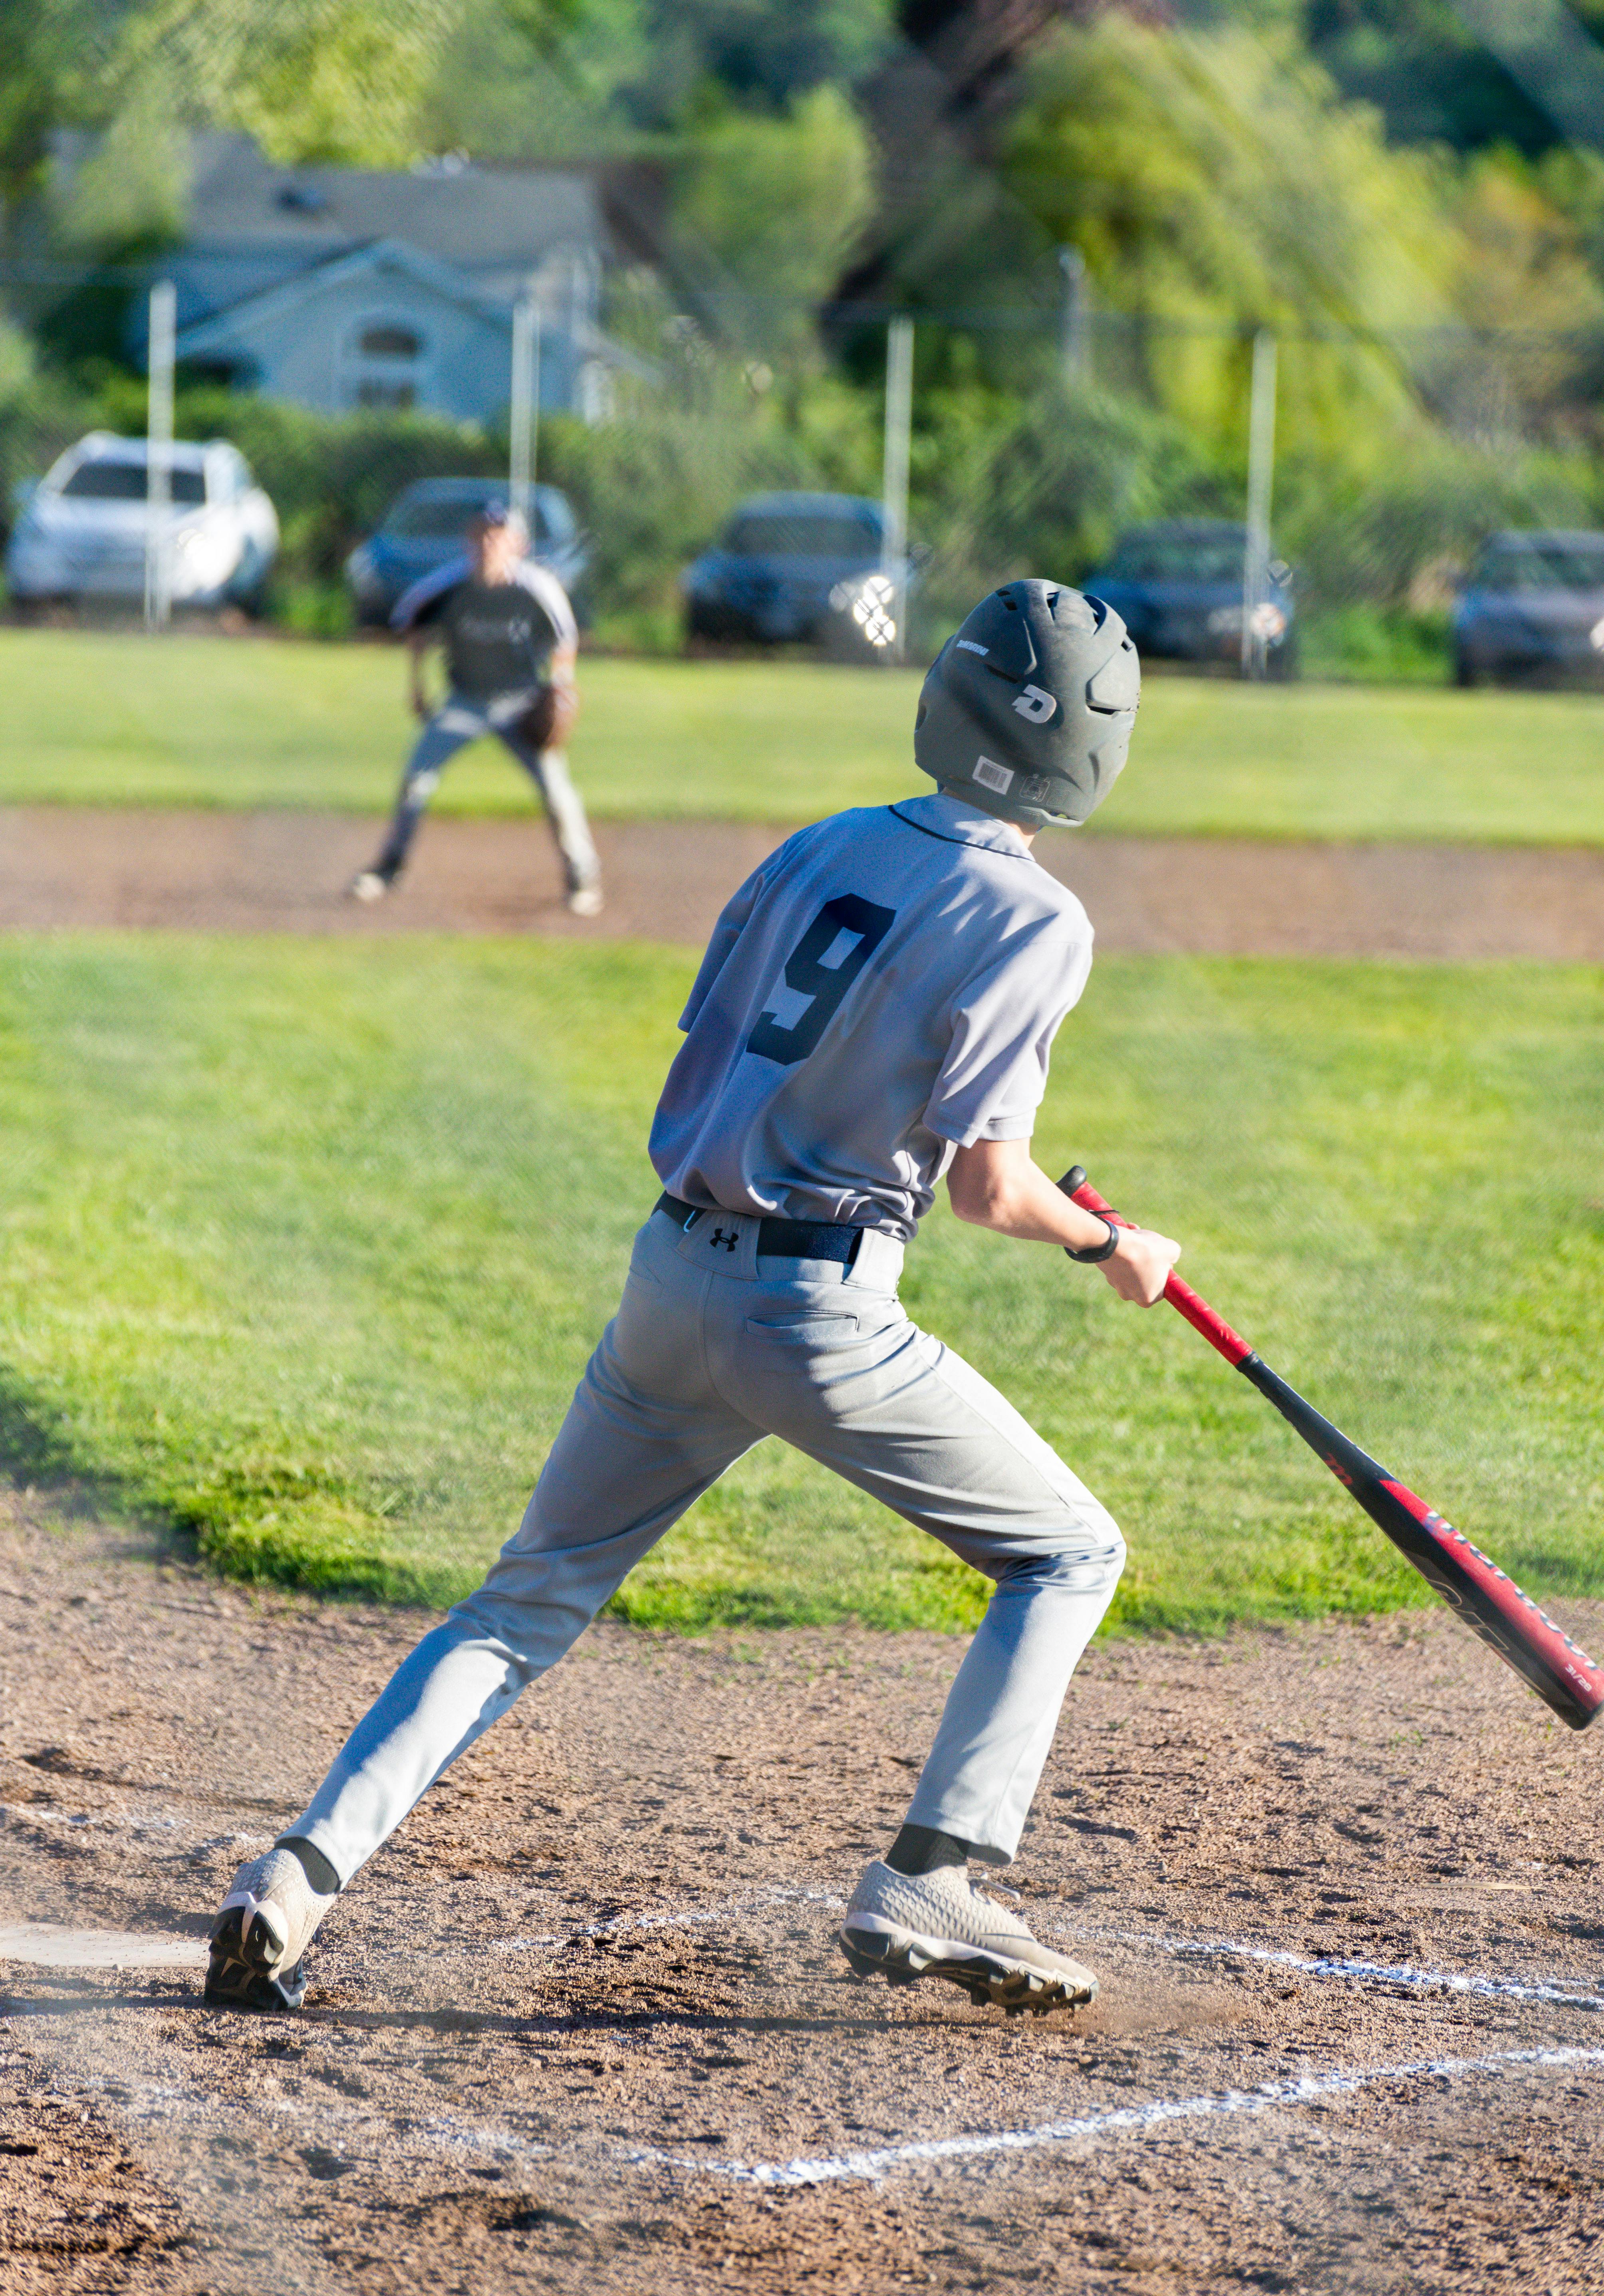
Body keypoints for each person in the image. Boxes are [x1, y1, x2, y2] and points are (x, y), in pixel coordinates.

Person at [208, 579, 1179, 2020]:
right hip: (819, 1313)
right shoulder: (1038, 913)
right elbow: (990, 1188)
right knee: (1070, 1553)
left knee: (523, 1599)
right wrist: (1107, 1239)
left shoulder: (822, 845)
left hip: (669, 1272)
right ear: (1090, 751)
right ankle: (940, 1864)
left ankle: (294, 1874)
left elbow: (730, 1048)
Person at [349, 496, 603, 918]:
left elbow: (565, 641)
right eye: (481, 535)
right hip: (464, 702)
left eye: (498, 536)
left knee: (556, 790)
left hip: (521, 703)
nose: (488, 544)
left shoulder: (536, 588)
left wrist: (560, 689)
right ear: (470, 541)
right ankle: (388, 869)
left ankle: (583, 877)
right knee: (416, 780)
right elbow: (413, 626)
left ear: (517, 544)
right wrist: (417, 688)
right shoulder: (449, 586)